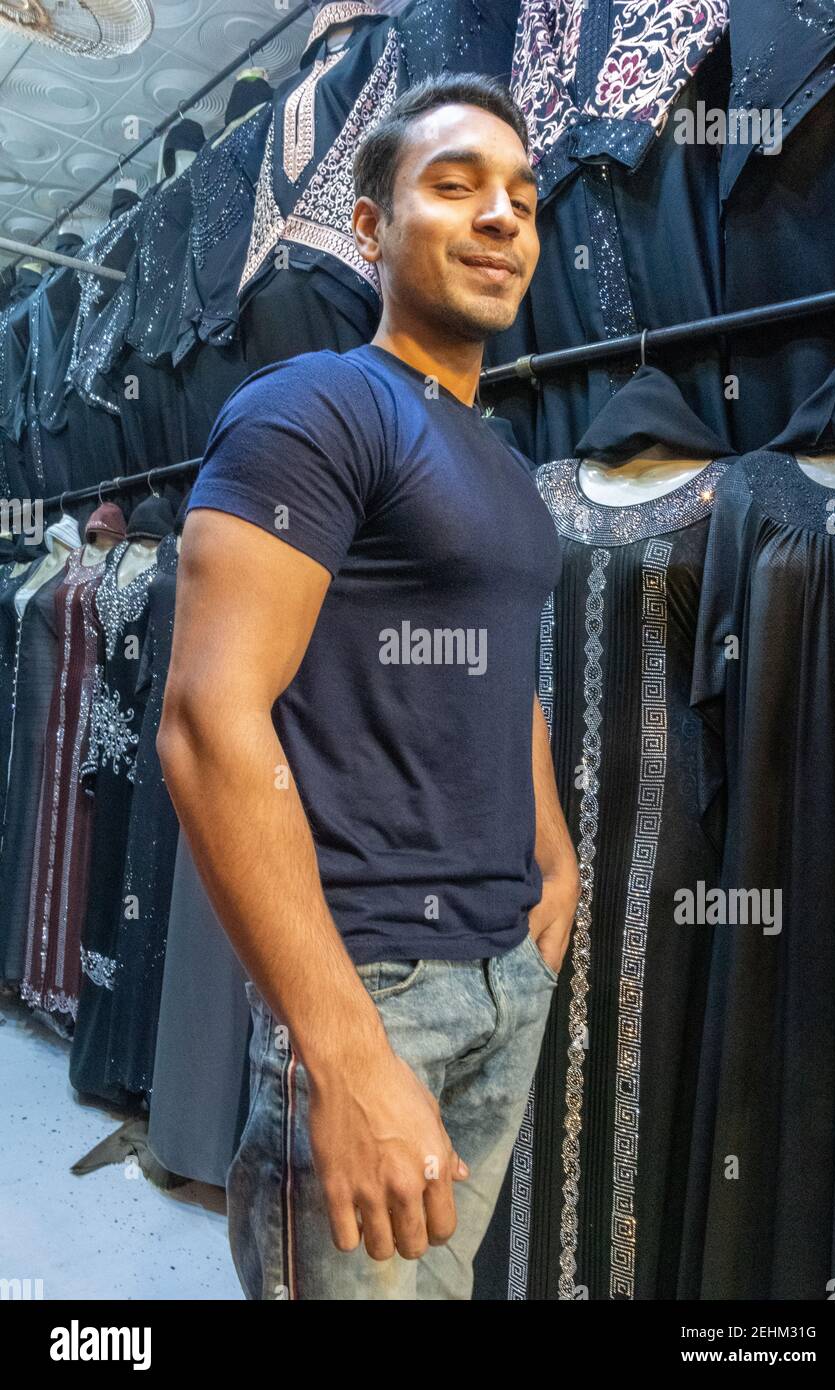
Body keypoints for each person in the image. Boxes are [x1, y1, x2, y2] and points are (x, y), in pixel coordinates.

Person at [157, 73, 581, 1301]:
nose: (500, 216)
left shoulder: (500, 462)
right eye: (453, 187)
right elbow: (206, 722)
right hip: (376, 983)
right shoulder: (313, 409)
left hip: (505, 969)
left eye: (520, 197)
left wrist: (554, 861)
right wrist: (342, 1052)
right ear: (367, 228)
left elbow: (507, 666)